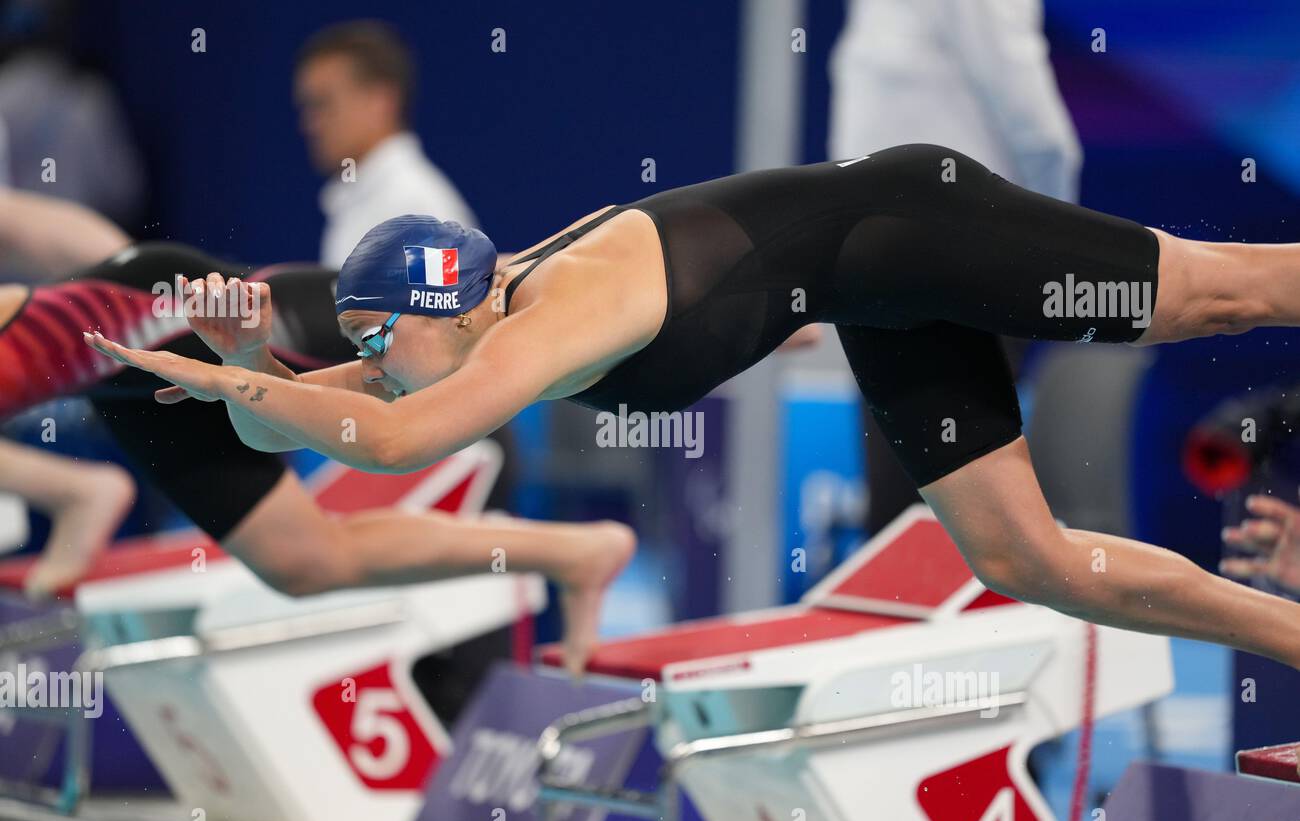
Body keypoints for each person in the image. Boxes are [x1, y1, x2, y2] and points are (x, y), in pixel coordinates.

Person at [88, 145, 1300, 671]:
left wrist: (247, 379)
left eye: (372, 339)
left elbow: (398, 440)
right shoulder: (448, 337)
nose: (369, 363)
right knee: (1023, 557)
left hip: (910, 221)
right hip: (875, 293)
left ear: (442, 303)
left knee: (1213, 291)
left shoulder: (549, 313)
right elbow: (286, 429)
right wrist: (254, 361)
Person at [0, 190, 634, 674]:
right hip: (132, 380)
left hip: (187, 315)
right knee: (299, 563)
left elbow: (25, 230)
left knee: (451, 356)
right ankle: (573, 553)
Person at [829, 0, 1086, 535]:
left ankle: (928, 611)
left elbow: (1030, 118)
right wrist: (1059, 228)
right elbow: (1036, 127)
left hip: (919, 252)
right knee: (921, 499)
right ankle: (916, 612)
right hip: (924, 253)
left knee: (932, 496)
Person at [294, 20, 476, 269]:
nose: (310, 124)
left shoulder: (415, 208)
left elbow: (450, 307)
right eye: (307, 107)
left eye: (323, 104)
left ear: (380, 101)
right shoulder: (363, 200)